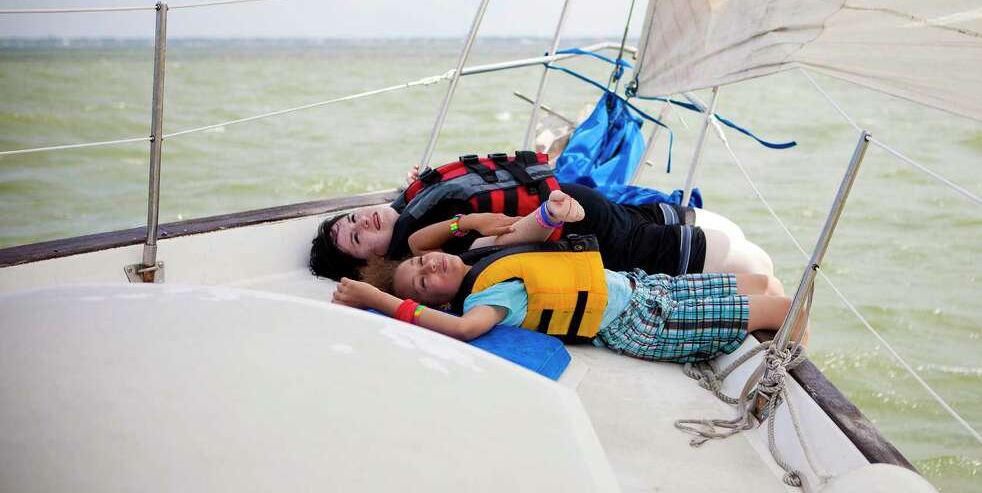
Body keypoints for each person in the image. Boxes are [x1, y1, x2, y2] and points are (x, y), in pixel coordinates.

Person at [332, 191, 801, 362]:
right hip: (642, 322)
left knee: (759, 286)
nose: (429, 265)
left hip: (642, 286)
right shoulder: (485, 299)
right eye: (423, 281)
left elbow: (418, 244)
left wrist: (470, 222)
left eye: (423, 263)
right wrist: (378, 299)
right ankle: (778, 382)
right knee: (783, 310)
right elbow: (464, 330)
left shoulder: (478, 256)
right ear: (435, 302)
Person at [310, 180, 774, 282]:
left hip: (630, 213)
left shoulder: (414, 205)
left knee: (734, 234)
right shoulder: (431, 253)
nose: (362, 222)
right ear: (373, 261)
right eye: (357, 238)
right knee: (757, 265)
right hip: (625, 245)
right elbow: (504, 240)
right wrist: (552, 215)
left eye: (352, 218)